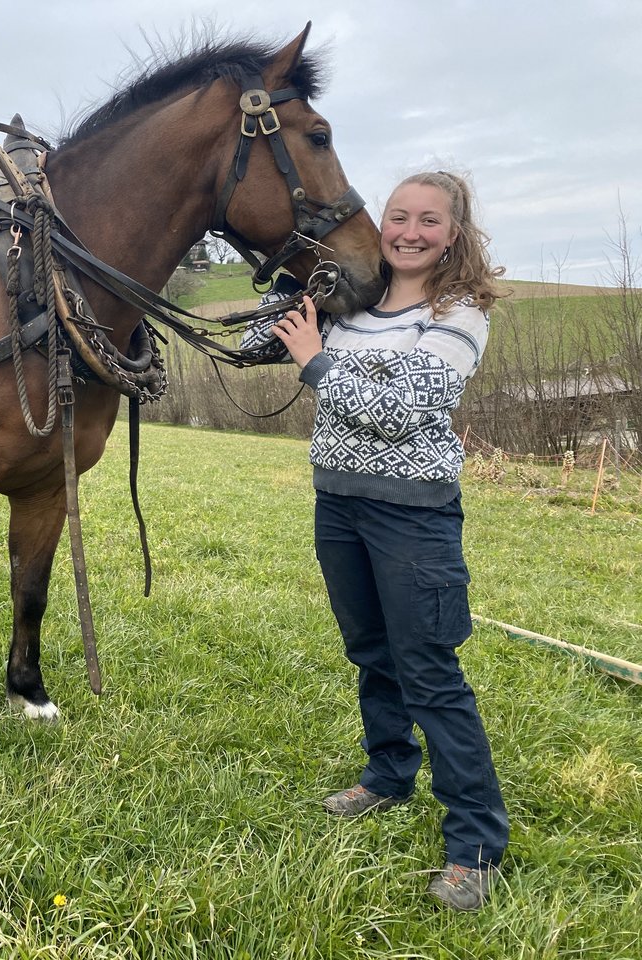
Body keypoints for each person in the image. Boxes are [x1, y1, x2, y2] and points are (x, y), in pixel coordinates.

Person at [249, 170, 510, 911]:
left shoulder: (459, 313)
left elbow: (403, 411)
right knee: (371, 654)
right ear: (379, 222)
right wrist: (297, 282)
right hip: (339, 506)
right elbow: (247, 341)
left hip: (413, 518)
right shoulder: (349, 300)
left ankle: (477, 845)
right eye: (399, 216)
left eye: (429, 220)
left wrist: (316, 360)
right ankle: (389, 775)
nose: (410, 232)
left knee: (429, 672)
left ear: (453, 234)